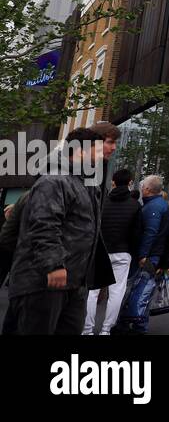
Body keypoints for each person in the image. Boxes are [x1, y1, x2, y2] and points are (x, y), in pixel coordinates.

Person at [5, 129, 106, 335]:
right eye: (98, 151)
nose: (102, 156)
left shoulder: (86, 184)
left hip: (73, 283)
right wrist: (54, 265)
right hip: (42, 282)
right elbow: (44, 224)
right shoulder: (54, 180)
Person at [118, 174, 169, 335]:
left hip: (150, 256)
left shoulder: (153, 208)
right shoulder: (159, 206)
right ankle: (134, 324)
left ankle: (136, 326)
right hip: (155, 256)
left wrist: (143, 256)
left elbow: (150, 233)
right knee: (141, 291)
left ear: (147, 189)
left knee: (140, 291)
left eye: (143, 186)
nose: (141, 188)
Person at [83, 167, 141, 335]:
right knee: (116, 293)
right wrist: (132, 252)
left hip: (100, 250)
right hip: (122, 252)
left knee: (92, 292)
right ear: (130, 183)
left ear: (113, 183)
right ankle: (106, 330)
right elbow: (136, 234)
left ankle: (87, 329)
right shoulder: (135, 205)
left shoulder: (102, 202)